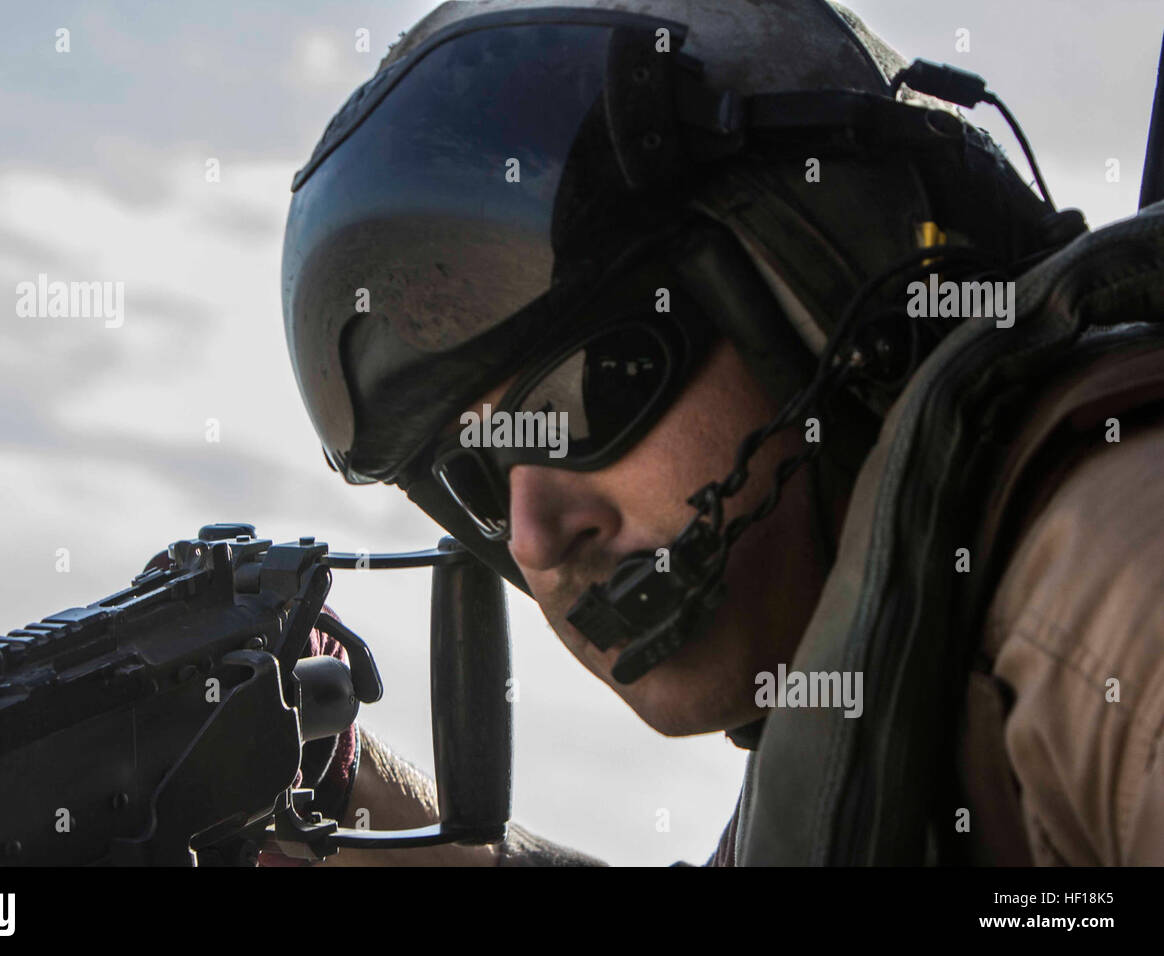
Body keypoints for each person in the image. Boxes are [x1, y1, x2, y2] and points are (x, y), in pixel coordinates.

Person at [262, 0, 1164, 866]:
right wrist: (332, 788)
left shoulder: (1106, 602)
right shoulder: (888, 650)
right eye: (477, 479)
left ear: (826, 293)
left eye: (594, 390)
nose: (533, 537)